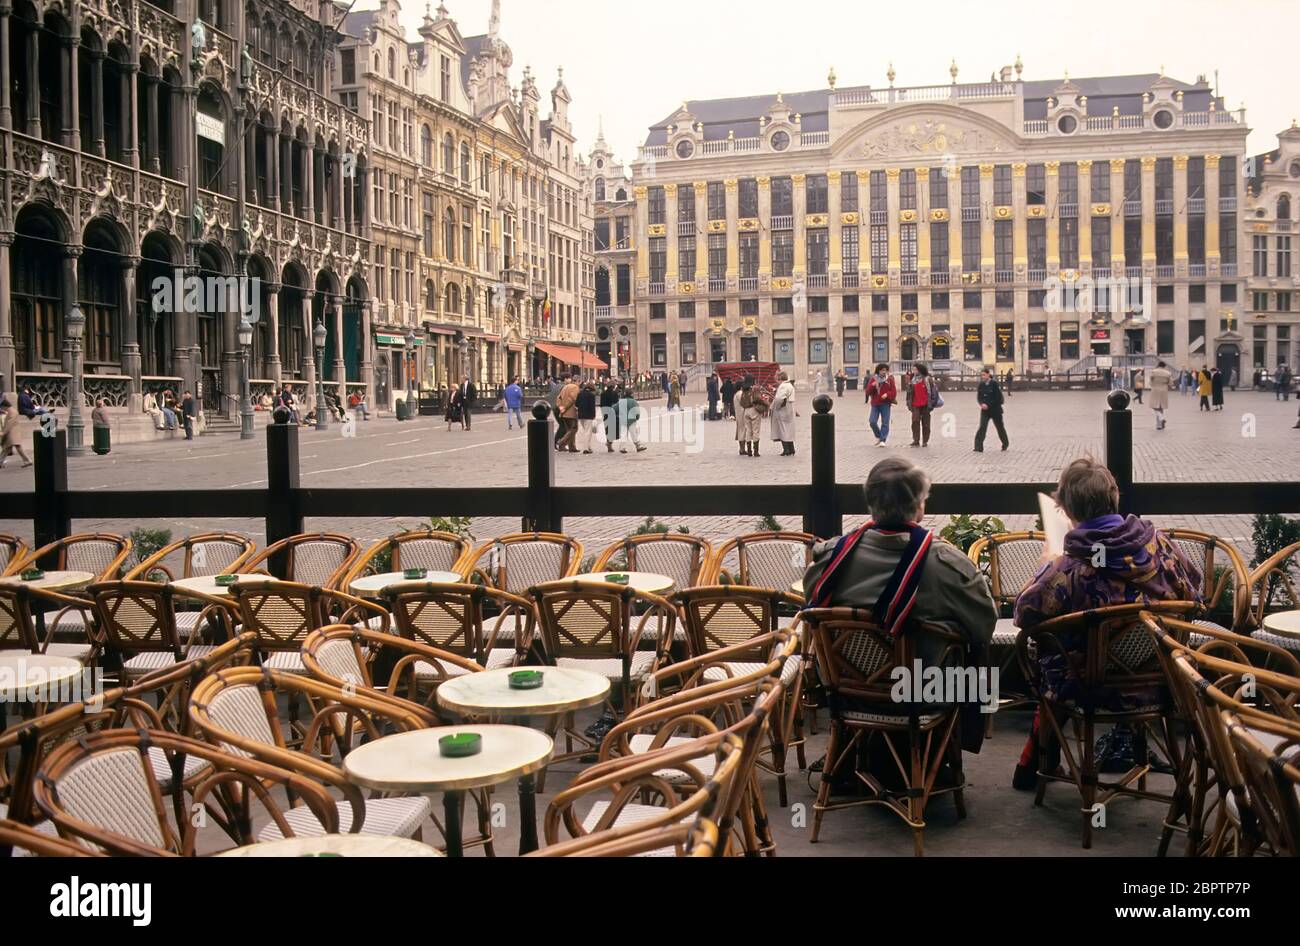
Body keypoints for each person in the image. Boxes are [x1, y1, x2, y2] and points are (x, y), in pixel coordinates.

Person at [1010, 458, 1203, 789]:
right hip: (1161, 678)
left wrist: (1044, 565)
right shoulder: (1163, 548)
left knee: (1054, 658)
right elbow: (1195, 590)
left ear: (1067, 510)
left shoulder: (1068, 568)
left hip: (1090, 688)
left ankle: (1038, 762)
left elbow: (1024, 614)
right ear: (1114, 497)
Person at [803, 457, 997, 752]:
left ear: (870, 503)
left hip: (845, 690)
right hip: (920, 691)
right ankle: (946, 754)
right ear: (919, 505)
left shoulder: (831, 558)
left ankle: (850, 752)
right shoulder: (945, 565)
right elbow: (984, 625)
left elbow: (810, 604)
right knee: (978, 667)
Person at [974, 368, 1009, 453]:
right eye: (981, 375)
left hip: (995, 410)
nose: (983, 377)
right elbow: (979, 397)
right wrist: (981, 403)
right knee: (982, 427)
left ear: (988, 374)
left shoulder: (994, 384)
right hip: (985, 410)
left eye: (984, 375)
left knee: (1000, 427)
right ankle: (978, 447)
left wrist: (988, 404)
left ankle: (1005, 443)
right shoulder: (981, 385)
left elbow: (998, 398)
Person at [865, 363, 897, 448]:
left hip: (885, 404)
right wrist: (872, 386)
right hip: (875, 404)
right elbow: (867, 392)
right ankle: (879, 435)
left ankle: (883, 440)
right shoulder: (873, 379)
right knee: (872, 421)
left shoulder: (889, 380)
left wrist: (887, 394)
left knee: (885, 422)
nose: (884, 372)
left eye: (885, 370)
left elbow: (894, 392)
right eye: (882, 370)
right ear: (878, 371)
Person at [734, 376, 766, 458]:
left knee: (748, 430)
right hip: (753, 410)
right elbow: (758, 399)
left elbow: (742, 402)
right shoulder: (754, 389)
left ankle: (749, 451)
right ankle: (756, 451)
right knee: (756, 430)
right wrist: (765, 403)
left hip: (746, 411)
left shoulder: (743, 391)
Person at [906, 362, 936, 448]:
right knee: (915, 422)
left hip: (926, 404)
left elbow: (933, 392)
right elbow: (909, 394)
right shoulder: (912, 380)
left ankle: (925, 441)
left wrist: (932, 403)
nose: (913, 371)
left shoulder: (927, 379)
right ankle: (916, 440)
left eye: (915, 369)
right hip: (915, 404)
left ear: (920, 370)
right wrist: (908, 403)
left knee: (926, 423)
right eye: (913, 369)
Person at [0, 399, 33, 469]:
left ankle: (27, 460)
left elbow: (9, 423)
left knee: (12, 447)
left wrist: (3, 432)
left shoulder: (12, 412)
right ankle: (27, 460)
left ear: (5, 406)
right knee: (8, 448)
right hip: (12, 433)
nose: (2, 408)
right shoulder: (11, 411)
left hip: (12, 433)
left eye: (2, 407)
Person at [770, 371, 797, 457]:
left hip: (783, 410)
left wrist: (776, 407)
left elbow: (779, 399)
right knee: (788, 430)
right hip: (789, 408)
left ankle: (786, 450)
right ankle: (791, 449)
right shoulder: (789, 385)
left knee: (783, 429)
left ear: (780, 379)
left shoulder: (783, 386)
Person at [616, 385, 646, 453]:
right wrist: (637, 417)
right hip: (632, 420)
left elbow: (615, 408)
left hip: (623, 420)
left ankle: (622, 448)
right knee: (634, 433)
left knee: (623, 434)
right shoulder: (633, 401)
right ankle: (638, 446)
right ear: (631, 394)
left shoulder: (621, 401)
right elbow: (637, 411)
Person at [556, 373, 580, 453]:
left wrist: (560, 407)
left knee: (569, 430)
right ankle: (561, 442)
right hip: (571, 412)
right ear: (577, 381)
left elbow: (558, 398)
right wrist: (565, 407)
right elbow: (572, 399)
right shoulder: (575, 387)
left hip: (563, 413)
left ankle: (572, 447)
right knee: (574, 428)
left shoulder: (565, 387)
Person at [576, 381, 598, 454]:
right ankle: (586, 448)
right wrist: (594, 416)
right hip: (588, 415)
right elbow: (592, 407)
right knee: (588, 432)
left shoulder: (580, 394)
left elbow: (576, 404)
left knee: (585, 431)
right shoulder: (591, 395)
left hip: (580, 415)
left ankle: (588, 447)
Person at [1149, 360, 1172, 431]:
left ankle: (1160, 420)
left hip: (1155, 389)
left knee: (1154, 406)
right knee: (1161, 407)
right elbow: (1170, 383)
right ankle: (1160, 424)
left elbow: (1150, 381)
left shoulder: (1154, 372)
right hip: (1164, 389)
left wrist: (1152, 384)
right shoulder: (1168, 373)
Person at [599, 379, 620, 452]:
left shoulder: (603, 394)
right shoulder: (615, 394)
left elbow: (601, 405)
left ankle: (609, 445)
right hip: (613, 412)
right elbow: (616, 404)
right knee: (615, 428)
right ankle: (609, 443)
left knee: (608, 429)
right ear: (613, 386)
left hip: (605, 413)